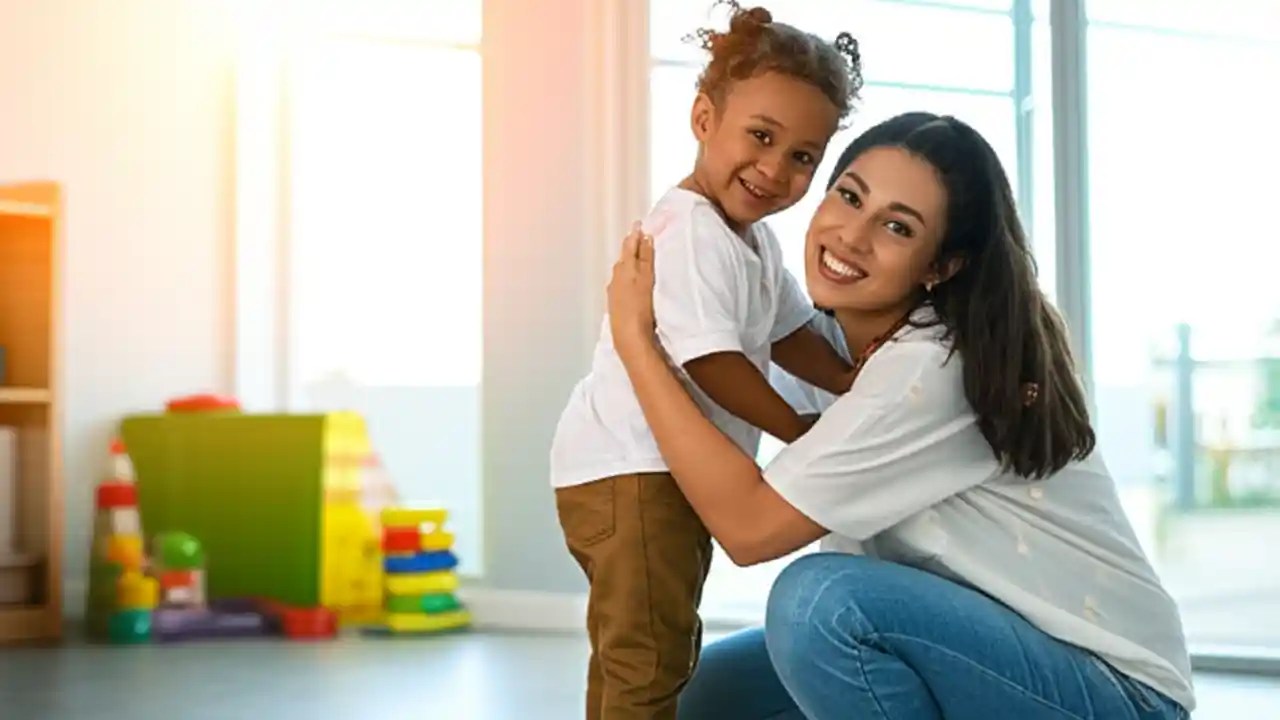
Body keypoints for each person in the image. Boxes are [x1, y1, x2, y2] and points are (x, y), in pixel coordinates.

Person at [605, 112, 1194, 719]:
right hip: (972, 650)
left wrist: (636, 343)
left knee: (822, 604)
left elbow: (750, 530)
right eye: (849, 196)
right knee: (704, 698)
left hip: (1115, 692)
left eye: (896, 226)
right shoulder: (835, 351)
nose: (851, 237)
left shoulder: (932, 367)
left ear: (941, 266)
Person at [549, 4, 862, 718]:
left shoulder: (752, 242)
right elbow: (715, 361)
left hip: (655, 474)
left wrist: (849, 379)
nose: (774, 169)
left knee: (644, 649)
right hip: (633, 472)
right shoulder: (690, 230)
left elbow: (789, 334)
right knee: (648, 660)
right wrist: (797, 429)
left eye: (802, 157)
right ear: (703, 120)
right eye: (760, 137)